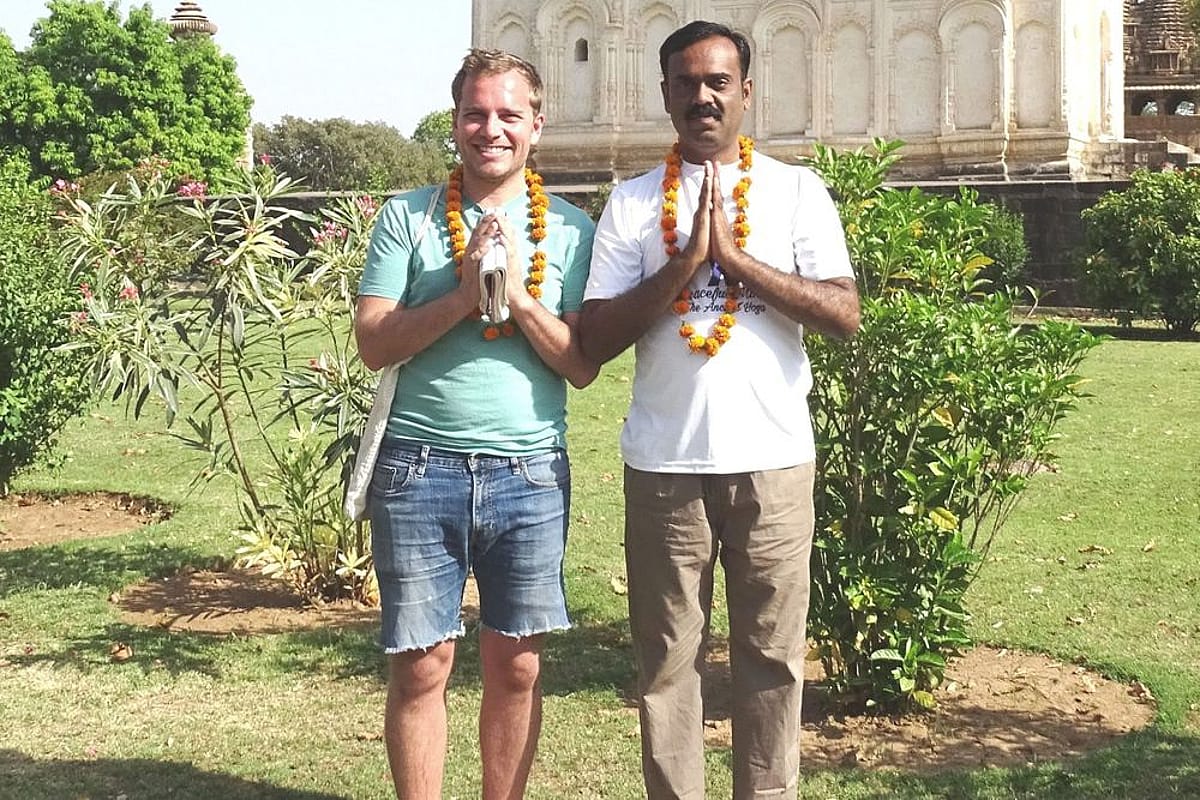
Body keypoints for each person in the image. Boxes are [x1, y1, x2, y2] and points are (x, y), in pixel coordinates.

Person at [579, 20, 861, 800]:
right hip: (665, 467)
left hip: (772, 462)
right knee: (668, 664)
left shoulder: (796, 190)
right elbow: (594, 339)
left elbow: (842, 313)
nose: (702, 97)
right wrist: (683, 266)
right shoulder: (632, 202)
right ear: (664, 92)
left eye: (718, 83)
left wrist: (736, 263)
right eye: (685, 83)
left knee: (771, 659)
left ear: (745, 91)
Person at [354, 49, 597, 800]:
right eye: (475, 113)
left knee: (517, 663)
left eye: (508, 115)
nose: (490, 129)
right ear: (455, 120)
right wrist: (463, 295)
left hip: (527, 470)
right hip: (418, 467)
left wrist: (517, 297)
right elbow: (373, 343)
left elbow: (581, 364)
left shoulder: (571, 229)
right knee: (421, 662)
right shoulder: (409, 216)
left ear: (536, 125)